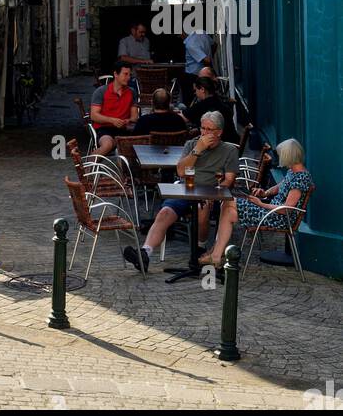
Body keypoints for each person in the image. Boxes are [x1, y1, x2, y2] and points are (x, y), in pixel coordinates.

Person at [123, 110, 238, 273]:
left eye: (209, 130)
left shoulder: (229, 150)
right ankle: (145, 253)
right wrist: (198, 149)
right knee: (164, 212)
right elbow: (181, 172)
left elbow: (229, 180)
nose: (204, 133)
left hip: (212, 193)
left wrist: (215, 193)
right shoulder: (192, 144)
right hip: (187, 188)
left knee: (202, 209)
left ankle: (199, 249)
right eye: (202, 128)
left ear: (219, 132)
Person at [199, 138, 314, 268]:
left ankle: (216, 254)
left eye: (281, 154)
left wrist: (260, 203)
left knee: (228, 204)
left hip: (278, 217)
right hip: (271, 211)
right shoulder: (293, 171)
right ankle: (216, 253)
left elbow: (285, 210)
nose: (279, 157)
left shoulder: (300, 178)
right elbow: (278, 187)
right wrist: (264, 193)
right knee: (227, 208)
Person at [89, 59, 138, 156]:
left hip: (124, 129)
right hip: (104, 128)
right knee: (107, 145)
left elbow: (134, 117)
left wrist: (127, 120)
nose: (128, 78)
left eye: (129, 75)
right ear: (116, 74)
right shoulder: (101, 91)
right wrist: (112, 120)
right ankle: (87, 168)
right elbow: (94, 116)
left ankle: (126, 170)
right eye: (125, 74)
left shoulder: (131, 92)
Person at [184, 75, 238, 144]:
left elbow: (183, 118)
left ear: (202, 89)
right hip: (232, 141)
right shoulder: (221, 100)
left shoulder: (203, 105)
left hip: (220, 144)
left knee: (189, 145)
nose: (195, 93)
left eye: (196, 90)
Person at [181, 27, 214, 99]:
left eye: (179, 35)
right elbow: (214, 44)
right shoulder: (202, 33)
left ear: (183, 32)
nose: (180, 37)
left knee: (193, 99)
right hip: (202, 74)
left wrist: (207, 68)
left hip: (195, 75)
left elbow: (206, 60)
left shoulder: (190, 43)